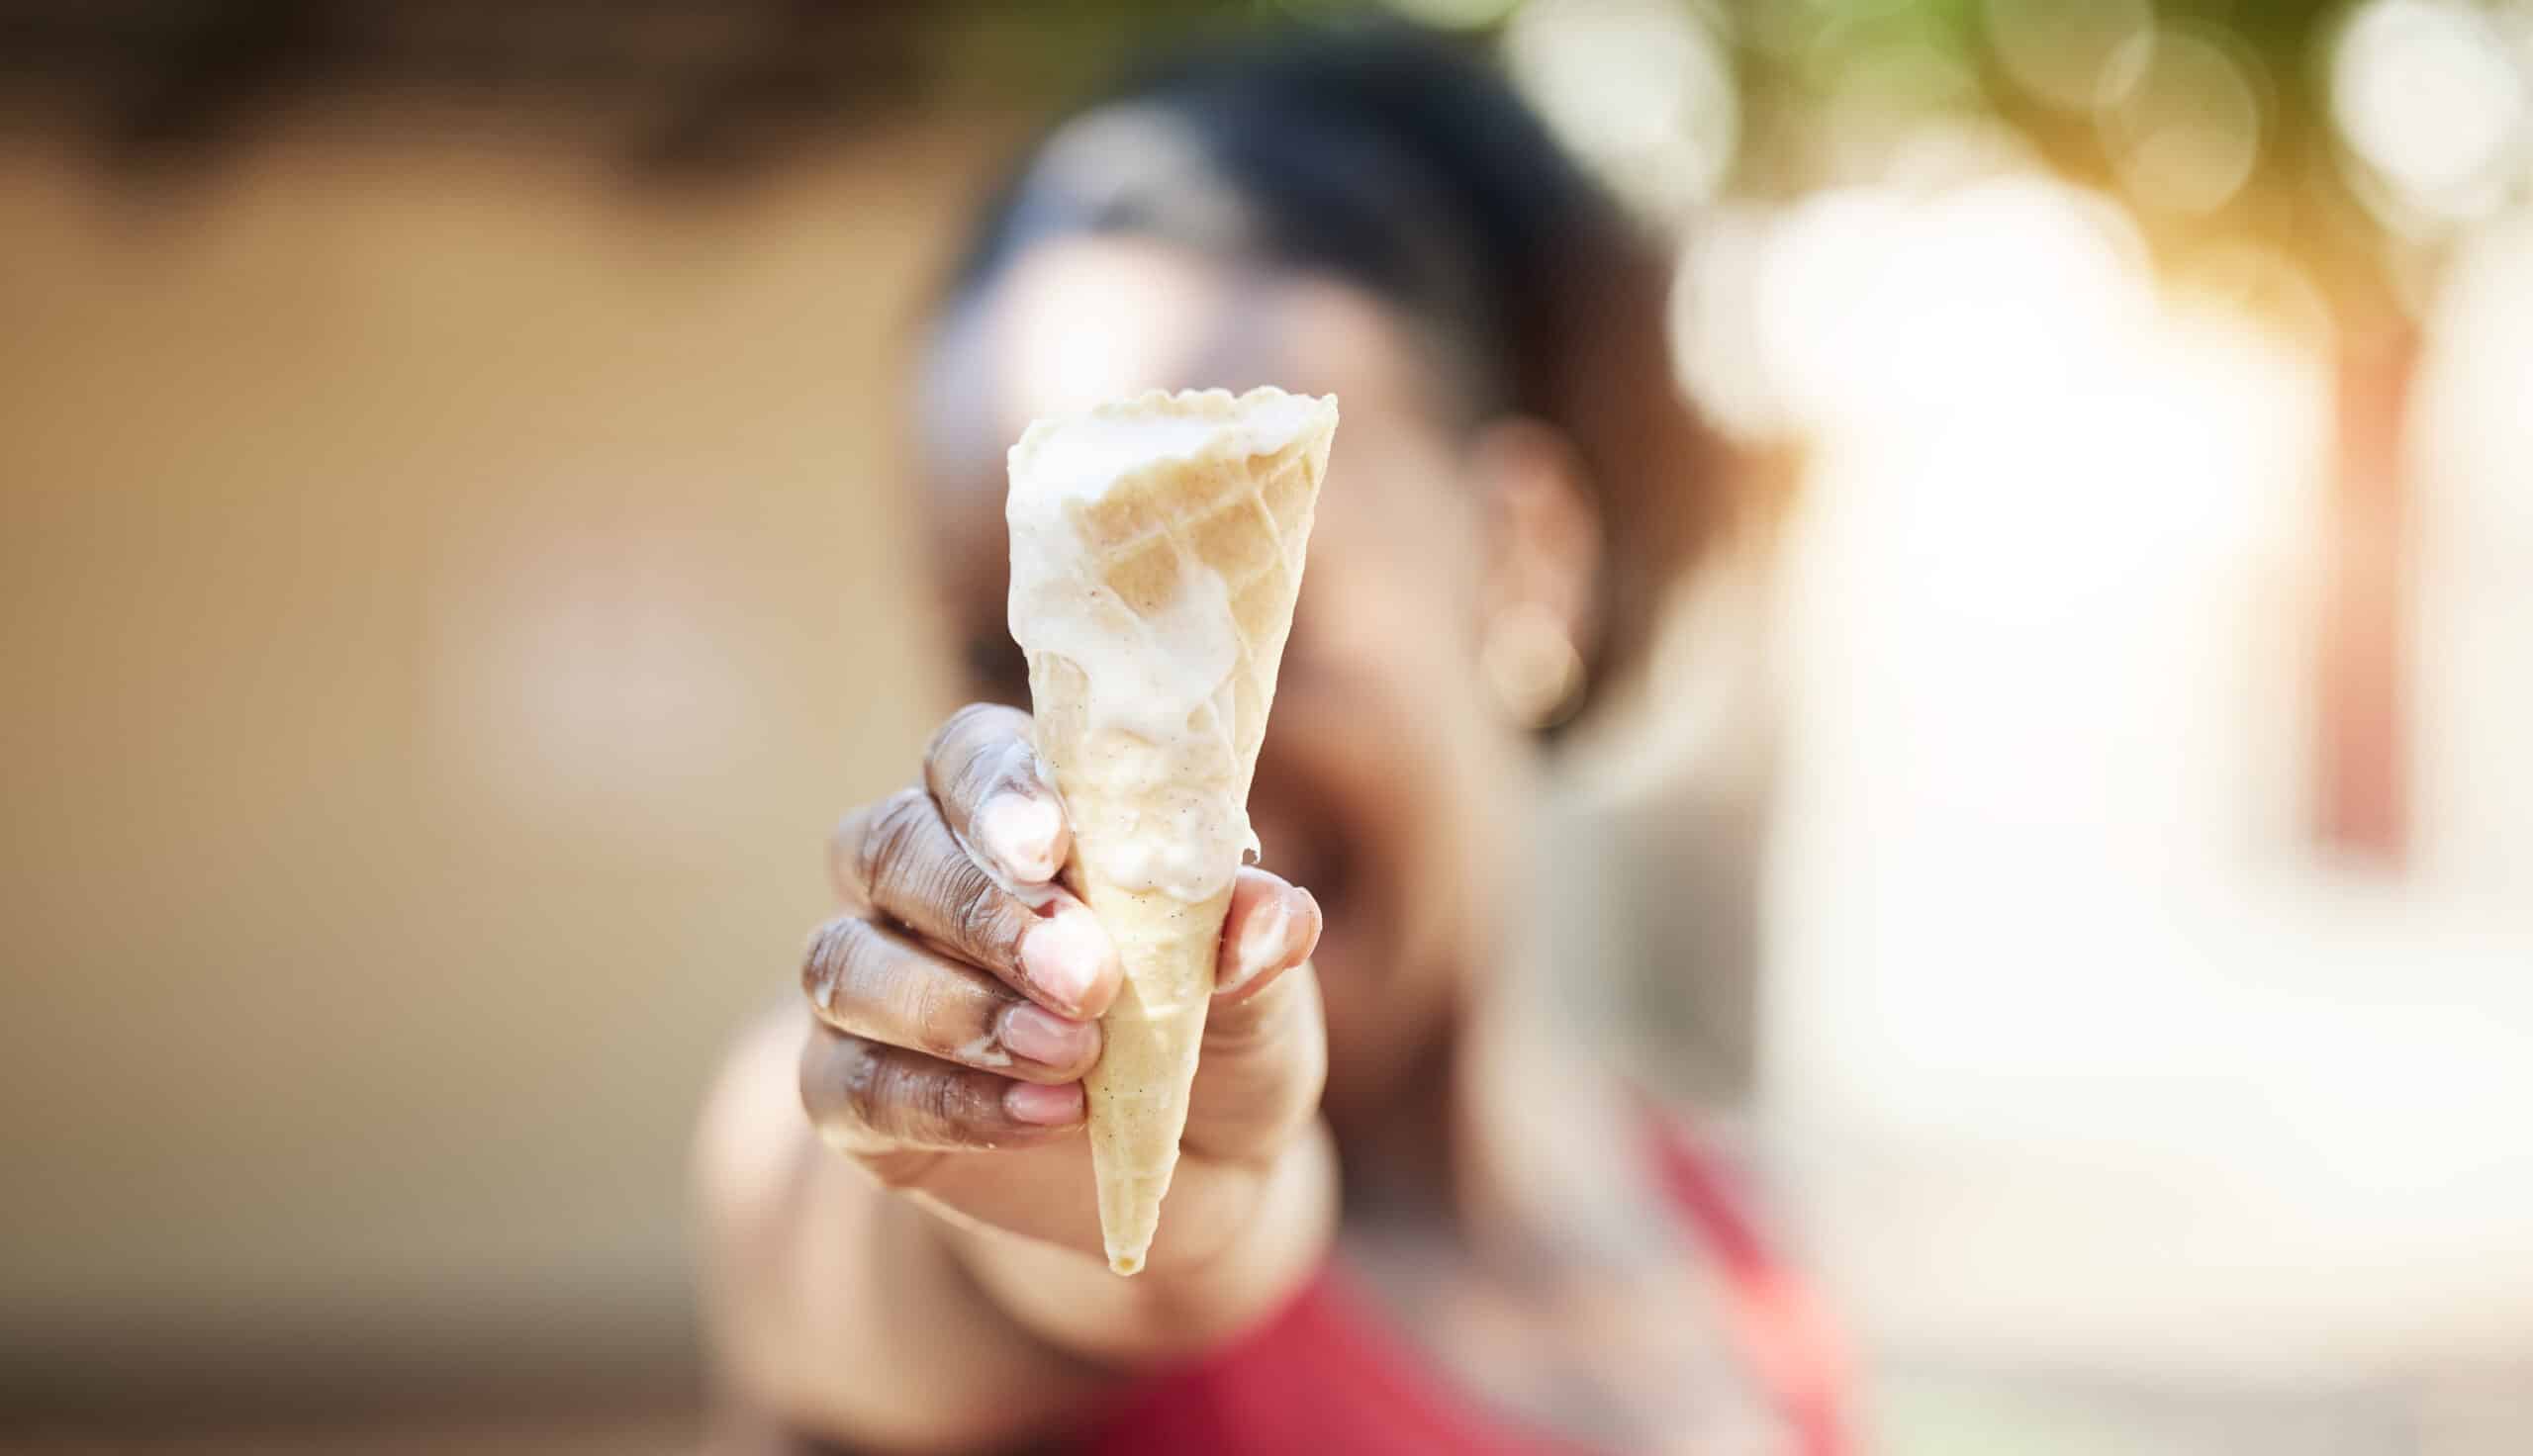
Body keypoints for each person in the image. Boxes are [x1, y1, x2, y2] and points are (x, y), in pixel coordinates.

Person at [694, 25, 1842, 1456]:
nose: (1103, 753)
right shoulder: (892, 1155)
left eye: (1223, 626)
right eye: (1013, 653)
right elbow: (913, 1261)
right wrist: (1134, 1209)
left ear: (1519, 560)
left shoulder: (1730, 1244)